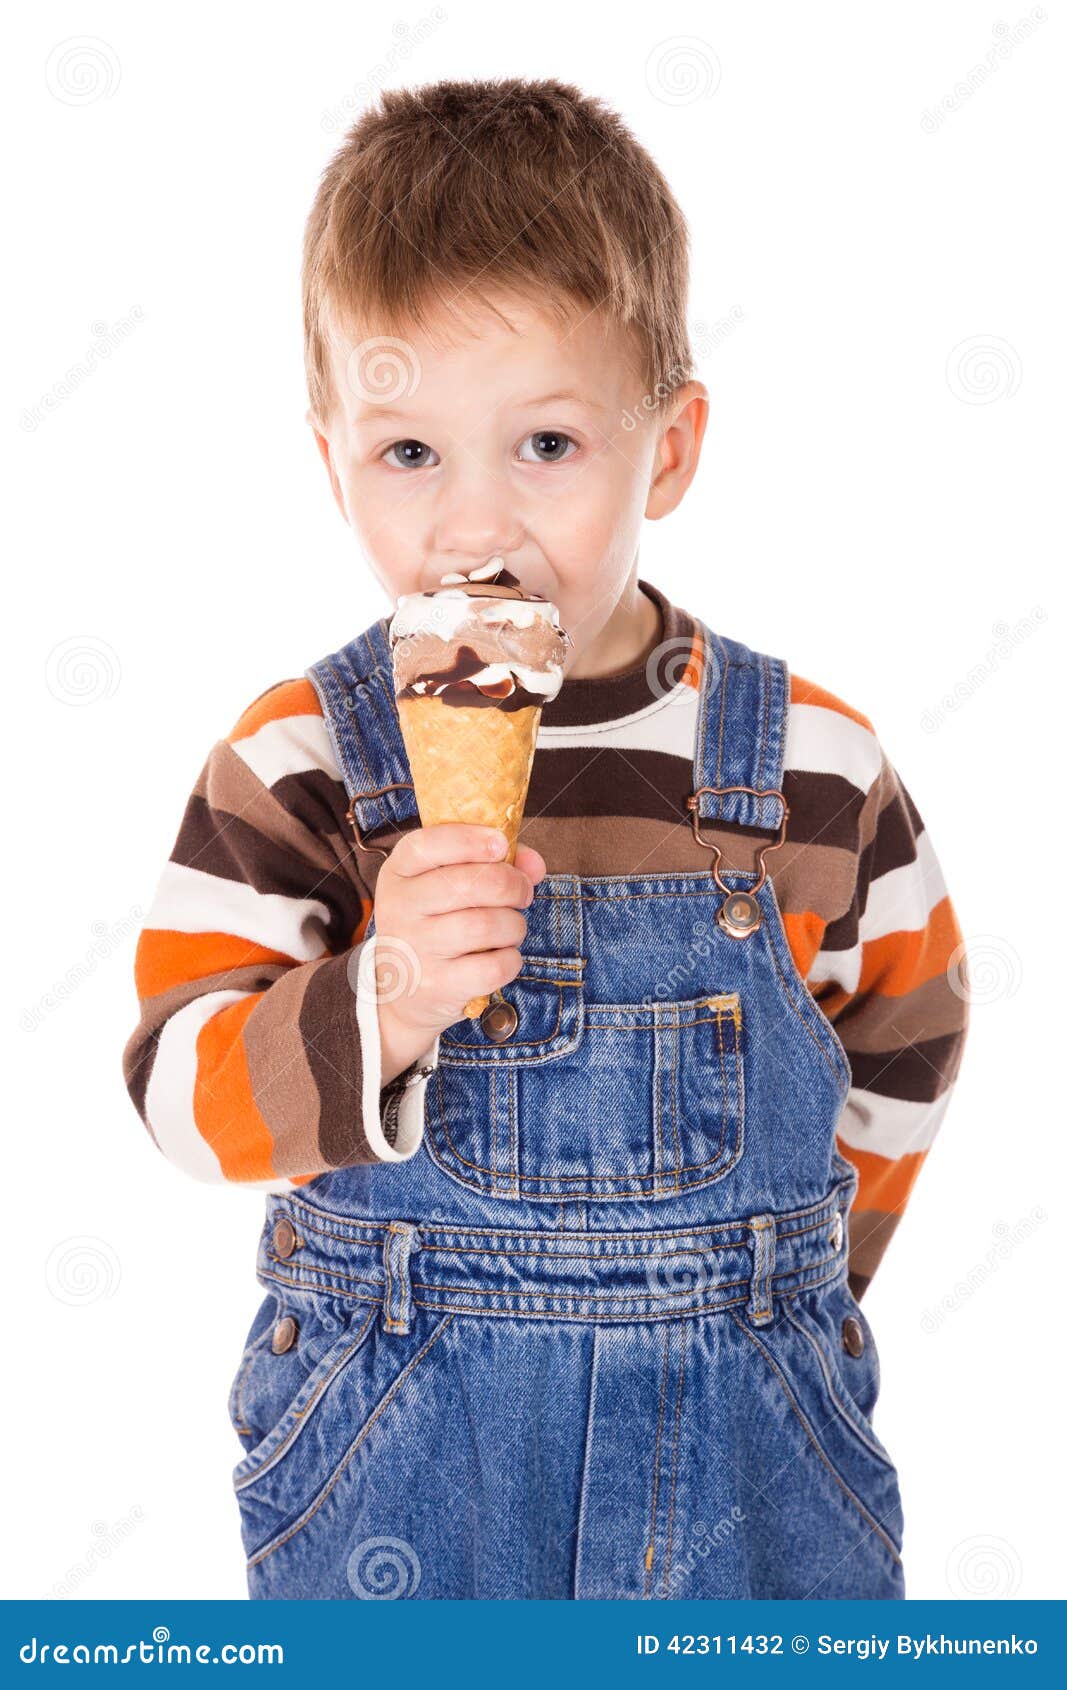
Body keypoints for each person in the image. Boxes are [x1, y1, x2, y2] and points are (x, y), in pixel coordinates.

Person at [122, 77, 968, 1600]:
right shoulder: (303, 757)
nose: (475, 528)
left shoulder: (811, 767)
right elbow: (175, 1084)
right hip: (407, 1458)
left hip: (748, 1462)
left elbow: (906, 1022)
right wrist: (377, 1004)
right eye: (410, 454)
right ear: (331, 466)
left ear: (671, 447)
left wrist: (800, 1294)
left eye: (549, 445)